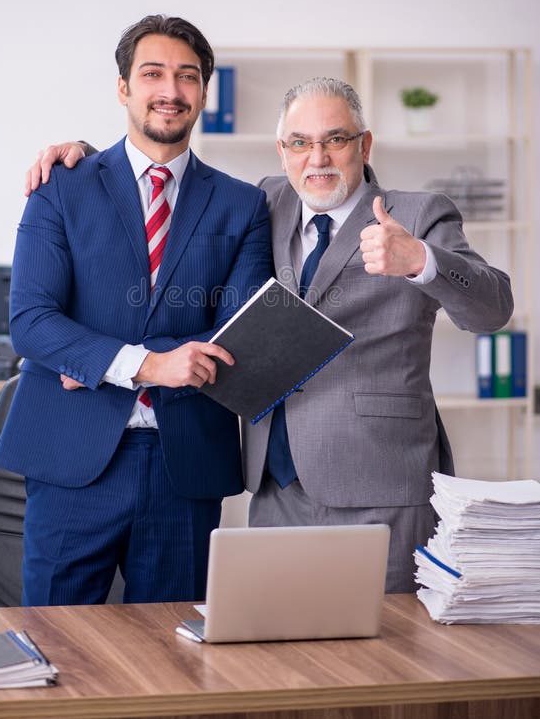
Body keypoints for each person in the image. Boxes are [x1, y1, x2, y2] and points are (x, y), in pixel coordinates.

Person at [28, 76, 513, 594]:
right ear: (282, 152)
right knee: (282, 656)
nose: (318, 157)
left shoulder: (418, 215)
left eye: (336, 139)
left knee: (384, 658)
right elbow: (173, 188)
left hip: (380, 485)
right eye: (300, 143)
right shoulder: (266, 201)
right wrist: (85, 156)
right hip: (275, 486)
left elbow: (493, 308)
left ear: (364, 145)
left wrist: (422, 261)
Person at [0, 14, 272, 606]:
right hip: (71, 459)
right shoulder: (60, 187)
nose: (170, 91)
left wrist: (94, 355)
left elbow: (239, 332)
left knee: (176, 665)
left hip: (187, 464)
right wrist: (146, 363)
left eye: (187, 77)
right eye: (153, 73)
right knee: (58, 648)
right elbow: (32, 322)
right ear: (123, 87)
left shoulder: (242, 206)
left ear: (202, 92)